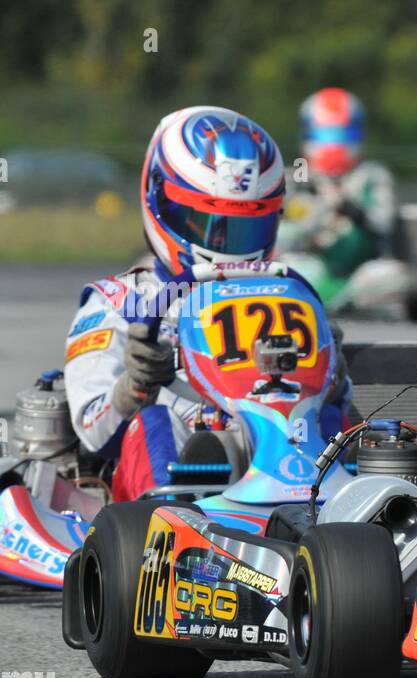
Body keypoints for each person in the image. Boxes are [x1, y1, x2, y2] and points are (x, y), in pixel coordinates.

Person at [63, 105, 350, 501]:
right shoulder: (121, 302)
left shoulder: (286, 294)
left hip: (286, 461)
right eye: (208, 225)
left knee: (334, 421)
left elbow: (334, 403)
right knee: (155, 421)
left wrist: (330, 376)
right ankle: (167, 521)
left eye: (246, 227)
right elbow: (93, 431)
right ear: (161, 202)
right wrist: (132, 389)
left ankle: (363, 513)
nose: (226, 248)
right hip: (179, 484)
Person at [278, 88, 397, 278]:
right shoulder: (294, 177)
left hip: (356, 269)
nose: (333, 143)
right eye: (325, 135)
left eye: (341, 135)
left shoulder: (371, 176)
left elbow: (382, 225)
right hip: (298, 262)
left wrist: (347, 206)